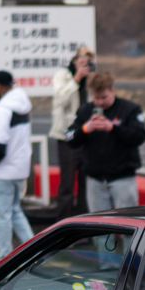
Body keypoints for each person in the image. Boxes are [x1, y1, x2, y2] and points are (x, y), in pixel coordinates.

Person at [66, 71, 145, 211]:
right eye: (96, 98)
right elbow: (70, 139)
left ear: (112, 90)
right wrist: (85, 129)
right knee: (99, 223)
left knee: (127, 221)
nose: (100, 102)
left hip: (122, 179)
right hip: (95, 180)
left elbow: (140, 136)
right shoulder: (85, 111)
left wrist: (113, 128)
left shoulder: (130, 109)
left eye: (104, 97)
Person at [0, 71, 34, 260]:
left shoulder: (2, 109)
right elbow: (7, 132)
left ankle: (3, 262)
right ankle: (36, 254)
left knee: (0, 218)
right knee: (15, 212)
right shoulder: (21, 104)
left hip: (3, 172)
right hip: (19, 169)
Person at [50, 46, 94, 217]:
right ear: (74, 61)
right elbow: (61, 100)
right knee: (67, 183)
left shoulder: (91, 78)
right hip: (67, 136)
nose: (85, 66)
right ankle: (63, 223)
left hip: (87, 135)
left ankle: (84, 222)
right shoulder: (63, 76)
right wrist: (76, 79)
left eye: (88, 63)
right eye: (82, 62)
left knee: (86, 183)